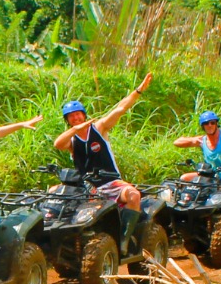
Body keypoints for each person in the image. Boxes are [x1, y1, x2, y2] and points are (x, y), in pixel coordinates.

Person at [53, 73, 151, 237]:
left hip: (110, 182)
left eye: (78, 114)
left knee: (134, 195)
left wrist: (139, 90)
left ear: (84, 114)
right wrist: (76, 130)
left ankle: (124, 237)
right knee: (52, 192)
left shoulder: (99, 128)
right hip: (86, 187)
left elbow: (120, 109)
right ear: (67, 120)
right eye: (71, 116)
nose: (76, 118)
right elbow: (57, 144)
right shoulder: (72, 140)